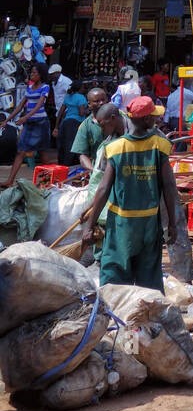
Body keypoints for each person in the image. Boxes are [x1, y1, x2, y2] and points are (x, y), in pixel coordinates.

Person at [81, 96, 178, 292]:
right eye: (154, 116)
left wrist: (89, 225)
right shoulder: (160, 145)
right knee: (148, 280)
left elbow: (103, 189)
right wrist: (172, 224)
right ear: (147, 120)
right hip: (149, 225)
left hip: (121, 226)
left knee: (115, 278)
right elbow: (169, 187)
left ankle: (117, 310)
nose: (157, 119)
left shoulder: (115, 148)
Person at [2, 62, 52, 188]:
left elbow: (39, 105)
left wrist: (25, 117)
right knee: (21, 151)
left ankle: (48, 182)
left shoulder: (45, 87)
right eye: (31, 72)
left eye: (34, 73)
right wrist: (7, 120)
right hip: (30, 123)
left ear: (40, 75)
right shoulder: (29, 88)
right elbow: (20, 106)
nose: (31, 74)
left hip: (40, 123)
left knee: (43, 152)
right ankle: (10, 181)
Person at [71, 86, 109, 172]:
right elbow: (82, 155)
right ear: (89, 104)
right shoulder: (85, 126)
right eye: (97, 101)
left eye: (103, 100)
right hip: (99, 169)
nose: (101, 103)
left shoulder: (119, 117)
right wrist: (95, 171)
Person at [55, 79, 88, 165]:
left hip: (65, 122)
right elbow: (81, 113)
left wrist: (56, 126)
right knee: (73, 145)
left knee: (65, 144)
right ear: (80, 88)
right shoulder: (81, 97)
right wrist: (89, 109)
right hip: (76, 123)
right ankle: (71, 164)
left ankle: (63, 163)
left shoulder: (68, 97)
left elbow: (61, 112)